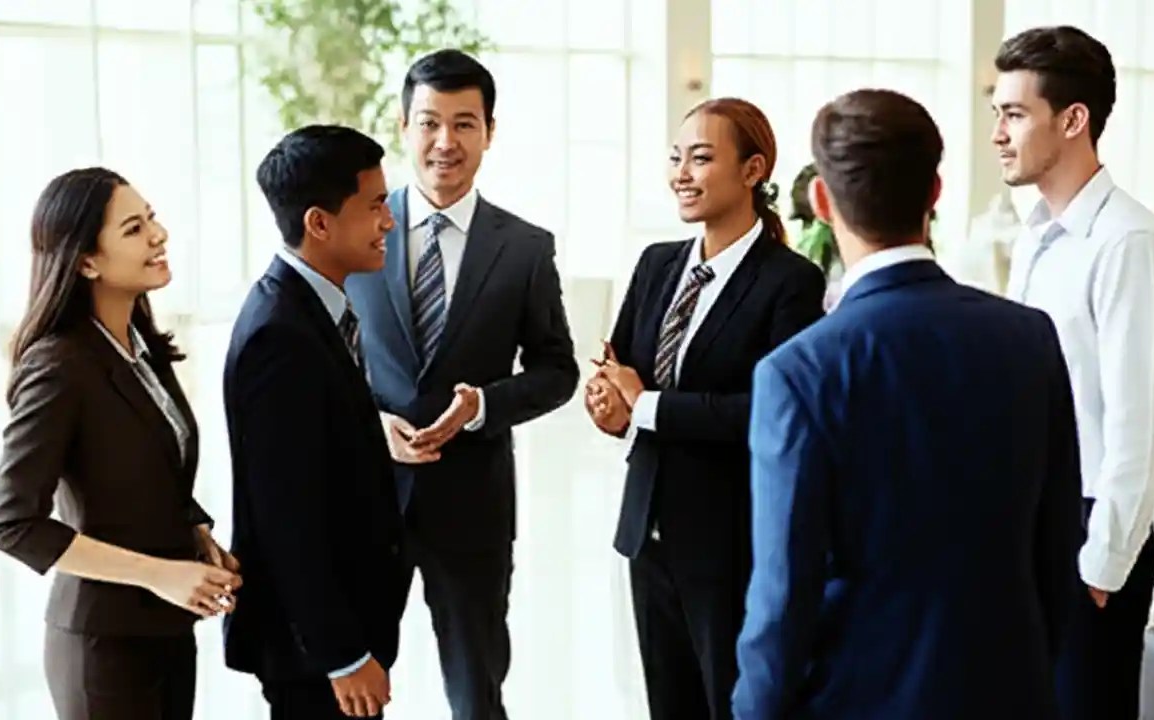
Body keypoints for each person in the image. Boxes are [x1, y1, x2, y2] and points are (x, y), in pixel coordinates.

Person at [732, 89, 1084, 719]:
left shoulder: (800, 371)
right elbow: (1057, 549)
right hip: (1011, 691)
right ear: (936, 192)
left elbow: (783, 597)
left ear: (821, 201)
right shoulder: (1029, 338)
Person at [343, 49, 578, 720]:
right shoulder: (354, 229)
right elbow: (323, 361)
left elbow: (556, 369)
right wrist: (370, 423)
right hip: (368, 496)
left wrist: (484, 407)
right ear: (403, 125)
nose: (446, 142)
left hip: (472, 506)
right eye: (430, 122)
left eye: (464, 124)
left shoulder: (526, 247)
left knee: (477, 691)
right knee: (353, 688)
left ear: (489, 131)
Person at [586, 97, 825, 720]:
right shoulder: (657, 263)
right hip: (648, 535)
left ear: (753, 171)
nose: (682, 174)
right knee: (668, 707)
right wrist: (611, 407)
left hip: (729, 543)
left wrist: (648, 405)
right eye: (676, 158)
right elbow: (623, 379)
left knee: (733, 704)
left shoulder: (790, 282)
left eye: (701, 158)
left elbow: (768, 415)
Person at [0, 167, 241, 720]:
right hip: (104, 646)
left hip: (168, 630)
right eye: (133, 228)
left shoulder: (139, 343)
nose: (158, 234)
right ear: (86, 262)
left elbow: (153, 469)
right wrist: (160, 572)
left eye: (151, 217)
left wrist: (195, 536)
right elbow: (13, 524)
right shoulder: (57, 365)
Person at [994, 26, 1154, 719]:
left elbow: (1139, 424)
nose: (998, 132)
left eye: (1014, 113)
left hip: (1091, 534)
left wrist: (1102, 565)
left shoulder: (1132, 244)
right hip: (1034, 519)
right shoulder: (1036, 240)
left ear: (1074, 120)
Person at [222, 125, 406, 720]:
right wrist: (343, 655)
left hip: (336, 634)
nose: (390, 222)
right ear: (318, 223)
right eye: (375, 206)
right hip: (315, 652)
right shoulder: (280, 335)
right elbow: (286, 518)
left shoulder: (313, 309)